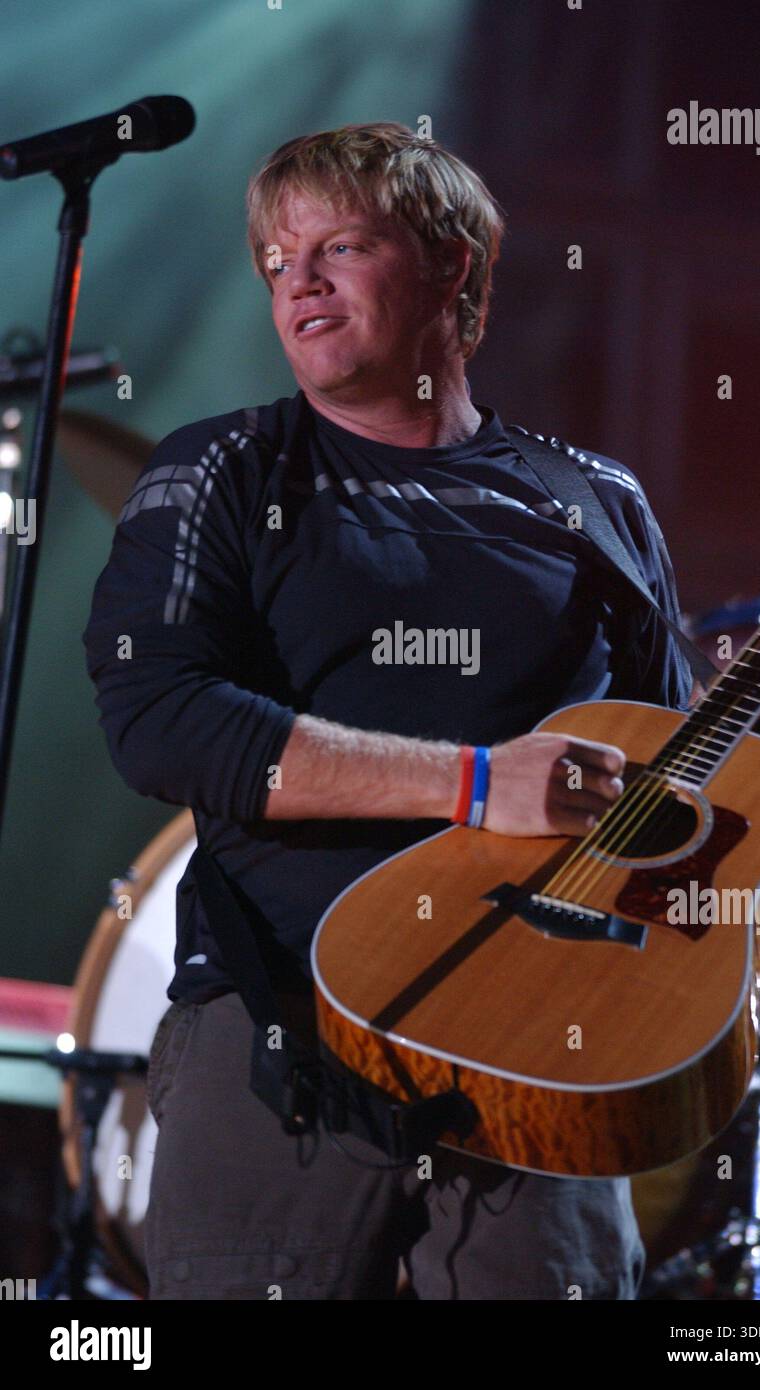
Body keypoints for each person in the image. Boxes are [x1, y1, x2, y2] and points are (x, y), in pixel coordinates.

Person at [83, 121, 726, 1301]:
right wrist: (478, 783)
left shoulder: (601, 501)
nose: (301, 282)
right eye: (278, 260)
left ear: (454, 268)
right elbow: (161, 720)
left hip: (543, 1053)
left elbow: (675, 782)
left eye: (341, 245)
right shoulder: (222, 471)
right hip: (285, 1028)